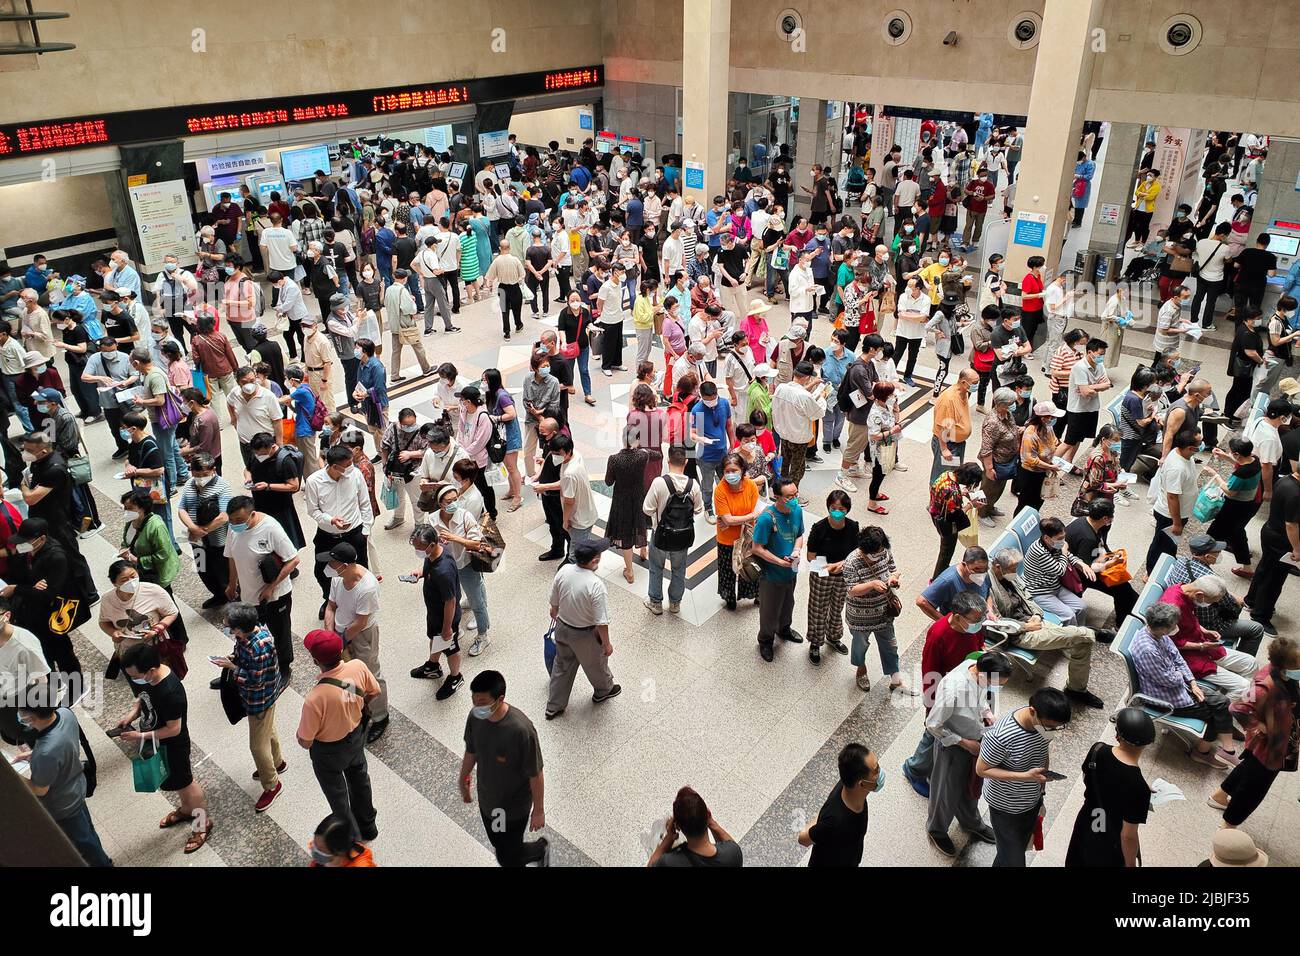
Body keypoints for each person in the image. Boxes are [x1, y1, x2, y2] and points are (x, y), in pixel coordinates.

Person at [115, 641, 211, 853]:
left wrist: (140, 736)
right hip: (157, 740)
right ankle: (187, 809)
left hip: (173, 743)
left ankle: (202, 824)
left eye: (134, 675)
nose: (133, 679)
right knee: (175, 780)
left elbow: (174, 729)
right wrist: (132, 714)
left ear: (149, 670)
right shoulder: (148, 678)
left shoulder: (171, 692)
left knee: (186, 782)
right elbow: (142, 697)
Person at [1130, 603, 1241, 768]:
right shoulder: (1148, 650)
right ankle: (1203, 753)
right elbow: (1169, 680)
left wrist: (1193, 682)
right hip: (1163, 696)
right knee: (1215, 712)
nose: (1176, 628)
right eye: (1174, 625)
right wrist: (1182, 675)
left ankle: (1226, 744)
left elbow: (1177, 658)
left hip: (1179, 687)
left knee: (1222, 702)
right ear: (1163, 628)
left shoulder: (1159, 635)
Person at [14, 682, 113, 867]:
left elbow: (40, 789)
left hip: (62, 805)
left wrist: (14, 776)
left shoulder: (46, 751)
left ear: (30, 716)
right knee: (89, 835)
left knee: (84, 845)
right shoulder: (65, 714)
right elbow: (63, 746)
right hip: (76, 787)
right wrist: (34, 756)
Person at [901, 590, 990, 797]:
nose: (980, 623)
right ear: (958, 617)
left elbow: (978, 645)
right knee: (933, 733)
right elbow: (930, 672)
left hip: (969, 683)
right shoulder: (938, 634)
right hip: (945, 690)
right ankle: (914, 769)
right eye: (976, 620)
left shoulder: (973, 626)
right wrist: (932, 707)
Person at [296, 629, 380, 843]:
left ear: (315, 661)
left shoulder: (315, 698)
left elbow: (305, 741)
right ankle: (368, 827)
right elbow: (374, 691)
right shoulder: (358, 667)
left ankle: (350, 837)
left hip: (328, 753)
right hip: (356, 737)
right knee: (360, 781)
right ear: (341, 650)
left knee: (337, 795)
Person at [459, 669, 549, 867]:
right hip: (488, 800)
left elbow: (535, 773)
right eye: (474, 701)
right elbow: (471, 750)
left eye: (482, 702)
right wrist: (463, 778)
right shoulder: (475, 718)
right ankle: (537, 850)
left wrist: (539, 810)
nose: (477, 707)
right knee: (500, 844)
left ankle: (538, 850)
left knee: (506, 854)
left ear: (500, 699)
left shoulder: (521, 731)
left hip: (511, 807)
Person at [925, 652, 1010, 855]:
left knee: (970, 786)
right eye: (997, 683)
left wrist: (986, 713)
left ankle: (970, 821)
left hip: (975, 738)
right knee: (946, 790)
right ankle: (936, 830)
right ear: (984, 675)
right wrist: (964, 743)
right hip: (953, 745)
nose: (997, 687)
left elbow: (980, 696)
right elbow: (933, 725)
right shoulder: (955, 689)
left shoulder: (975, 666)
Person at [1209, 636, 1299, 827]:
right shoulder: (1265, 686)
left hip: (1282, 740)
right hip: (1268, 748)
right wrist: (1258, 726)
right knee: (1254, 789)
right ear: (1286, 666)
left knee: (1249, 769)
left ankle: (1220, 796)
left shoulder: (1287, 678)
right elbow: (1237, 708)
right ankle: (1228, 827)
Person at [976, 686, 1070, 867]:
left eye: (1057, 727)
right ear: (1032, 711)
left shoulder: (1045, 724)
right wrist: (1025, 777)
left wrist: (1042, 782)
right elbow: (982, 770)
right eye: (1050, 726)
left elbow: (1044, 747)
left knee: (1012, 850)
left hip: (1032, 799)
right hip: (1005, 806)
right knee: (1014, 859)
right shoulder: (1000, 736)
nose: (1052, 730)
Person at [212, 602, 285, 810]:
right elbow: (244, 655)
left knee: (256, 745)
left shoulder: (258, 646)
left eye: (229, 627)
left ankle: (272, 784)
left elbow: (255, 680)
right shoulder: (248, 636)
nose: (227, 629)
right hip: (263, 695)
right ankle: (277, 762)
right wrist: (234, 658)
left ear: (241, 628)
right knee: (267, 730)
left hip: (259, 698)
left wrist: (233, 667)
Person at [1064, 707, 1155, 867]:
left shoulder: (1097, 750)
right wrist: (1130, 865)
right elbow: (1128, 836)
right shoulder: (1139, 788)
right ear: (1148, 743)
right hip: (1110, 839)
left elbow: (1090, 778)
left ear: (1117, 735)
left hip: (1087, 822)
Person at [223, 496, 298, 681]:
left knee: (279, 633)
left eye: (239, 520)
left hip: (274, 596)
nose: (234, 524)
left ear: (252, 514)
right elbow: (231, 557)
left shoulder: (271, 528)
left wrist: (271, 587)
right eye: (231, 520)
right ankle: (244, 664)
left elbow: (293, 560)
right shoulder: (234, 528)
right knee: (245, 632)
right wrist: (232, 584)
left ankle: (284, 667)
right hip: (247, 594)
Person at [546, 538, 620, 719]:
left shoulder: (564, 571)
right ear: (594, 561)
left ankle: (554, 706)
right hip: (584, 634)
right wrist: (606, 644)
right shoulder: (596, 586)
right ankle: (603, 690)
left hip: (562, 628)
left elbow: (553, 607)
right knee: (595, 664)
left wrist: (560, 612)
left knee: (562, 666)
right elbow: (601, 622)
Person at [1159, 575, 1259, 700]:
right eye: (1212, 601)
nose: (1211, 604)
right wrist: (1201, 646)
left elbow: (1191, 619)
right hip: (1188, 657)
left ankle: (1245, 702)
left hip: (1203, 644)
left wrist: (1205, 631)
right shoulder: (1172, 606)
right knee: (1245, 687)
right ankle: (1227, 710)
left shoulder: (1183, 589)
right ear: (1200, 595)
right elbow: (1172, 643)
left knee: (1251, 663)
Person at [303, 445, 373, 616]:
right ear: (334, 466)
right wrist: (331, 520)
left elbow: (364, 503)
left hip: (354, 533)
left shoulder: (355, 474)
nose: (352, 467)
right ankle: (329, 599)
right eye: (347, 464)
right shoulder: (314, 481)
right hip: (327, 535)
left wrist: (365, 529)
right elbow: (313, 510)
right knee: (321, 571)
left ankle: (359, 602)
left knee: (360, 569)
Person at [798, 743, 881, 868]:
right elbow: (803, 839)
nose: (880, 773)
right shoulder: (834, 822)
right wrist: (821, 818)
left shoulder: (850, 787)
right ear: (862, 783)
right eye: (876, 770)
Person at [751, 478, 805, 662]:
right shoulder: (767, 518)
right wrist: (779, 563)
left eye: (796, 494)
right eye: (789, 496)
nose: (795, 499)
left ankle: (784, 629)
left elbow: (799, 535)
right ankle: (765, 640)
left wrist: (796, 550)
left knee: (788, 603)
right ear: (777, 497)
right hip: (771, 575)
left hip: (792, 570)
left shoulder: (797, 510)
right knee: (769, 611)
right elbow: (756, 548)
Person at [1204, 439, 1265, 578]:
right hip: (1249, 505)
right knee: (1237, 533)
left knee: (1213, 534)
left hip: (1234, 507)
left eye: (1232, 452)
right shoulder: (1254, 460)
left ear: (1237, 453)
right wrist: (1225, 456)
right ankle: (1247, 568)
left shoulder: (1242, 473)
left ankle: (1202, 561)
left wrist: (1215, 475)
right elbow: (1240, 463)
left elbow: (1230, 490)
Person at [1145, 427, 1201, 573]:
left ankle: (1167, 568)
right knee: (1160, 546)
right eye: (1198, 445)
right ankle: (1151, 572)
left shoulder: (1185, 455)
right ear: (1189, 448)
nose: (1200, 447)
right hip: (1169, 516)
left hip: (1180, 514)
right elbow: (1172, 496)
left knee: (1170, 545)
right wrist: (1176, 523)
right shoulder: (1177, 468)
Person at [713, 451, 762, 611]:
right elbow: (727, 520)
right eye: (727, 471)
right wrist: (745, 517)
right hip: (727, 539)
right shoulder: (720, 490)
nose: (730, 474)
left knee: (749, 566)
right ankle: (729, 598)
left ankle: (754, 594)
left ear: (742, 470)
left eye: (734, 470)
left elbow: (754, 513)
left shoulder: (751, 486)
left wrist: (733, 520)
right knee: (727, 570)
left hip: (747, 537)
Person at [647, 786, 743, 867]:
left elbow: (651, 865)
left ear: (678, 827)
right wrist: (712, 822)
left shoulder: (669, 862)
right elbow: (729, 844)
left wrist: (668, 838)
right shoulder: (733, 854)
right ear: (708, 814)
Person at [1020, 516, 1091, 626]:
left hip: (1054, 586)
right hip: (1039, 592)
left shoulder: (1054, 544)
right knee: (1069, 615)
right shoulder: (1039, 551)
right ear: (1046, 538)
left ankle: (1082, 632)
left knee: (1082, 607)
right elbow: (1060, 570)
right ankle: (1073, 638)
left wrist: (1080, 563)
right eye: (1059, 538)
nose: (1062, 541)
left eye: (1063, 537)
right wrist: (1064, 552)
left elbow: (1068, 555)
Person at [927, 463, 983, 582]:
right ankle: (937, 579)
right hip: (946, 522)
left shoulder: (946, 474)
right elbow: (956, 513)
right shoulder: (952, 493)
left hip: (935, 510)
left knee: (945, 548)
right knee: (946, 551)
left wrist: (959, 492)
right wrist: (971, 504)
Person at [1015, 402, 1066, 514]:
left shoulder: (1048, 428)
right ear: (1043, 418)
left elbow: (1054, 441)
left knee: (1038, 500)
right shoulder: (1030, 435)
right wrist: (1050, 466)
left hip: (1043, 471)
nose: (1054, 419)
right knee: (1026, 502)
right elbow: (1031, 459)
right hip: (1030, 473)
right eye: (1052, 417)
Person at [309, 814, 376, 867]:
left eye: (322, 855)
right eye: (314, 845)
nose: (314, 852)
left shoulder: (362, 865)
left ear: (341, 852)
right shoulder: (323, 845)